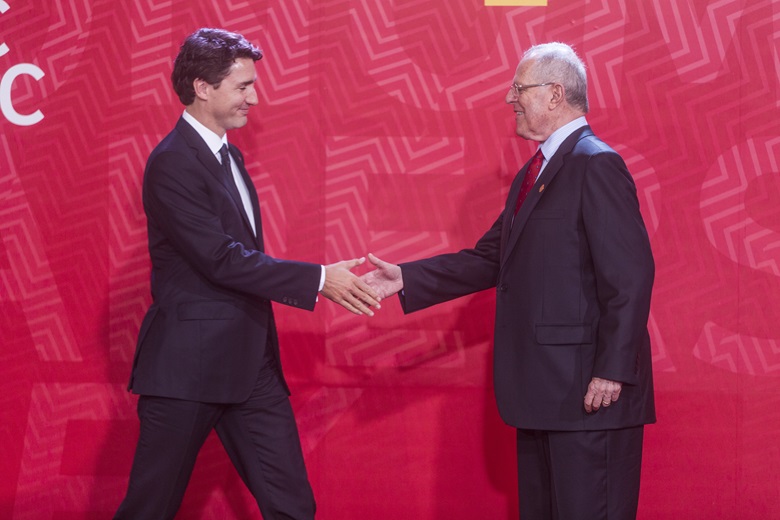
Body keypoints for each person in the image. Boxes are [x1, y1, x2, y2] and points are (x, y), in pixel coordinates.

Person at [362, 42, 655, 520]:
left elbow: (631, 275)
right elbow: (489, 259)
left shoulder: (596, 163)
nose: (508, 98)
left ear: (555, 94)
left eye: (519, 88)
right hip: (543, 396)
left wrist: (613, 370)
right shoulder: (533, 173)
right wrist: (407, 277)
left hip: (590, 393)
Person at [113, 28, 379, 520]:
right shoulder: (172, 163)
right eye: (243, 86)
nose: (254, 99)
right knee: (149, 509)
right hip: (188, 369)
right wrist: (319, 280)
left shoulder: (230, 156)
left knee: (293, 506)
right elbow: (221, 258)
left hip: (252, 367)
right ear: (202, 87)